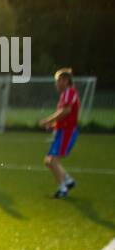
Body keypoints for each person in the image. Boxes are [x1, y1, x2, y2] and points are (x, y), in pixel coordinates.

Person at [40, 68, 80, 199]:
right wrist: (53, 125)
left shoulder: (69, 92)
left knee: (53, 160)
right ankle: (68, 181)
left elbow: (66, 111)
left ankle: (63, 189)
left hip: (67, 132)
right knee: (48, 161)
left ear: (65, 80)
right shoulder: (65, 94)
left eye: (58, 81)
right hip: (62, 130)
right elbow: (64, 115)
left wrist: (48, 120)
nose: (56, 84)